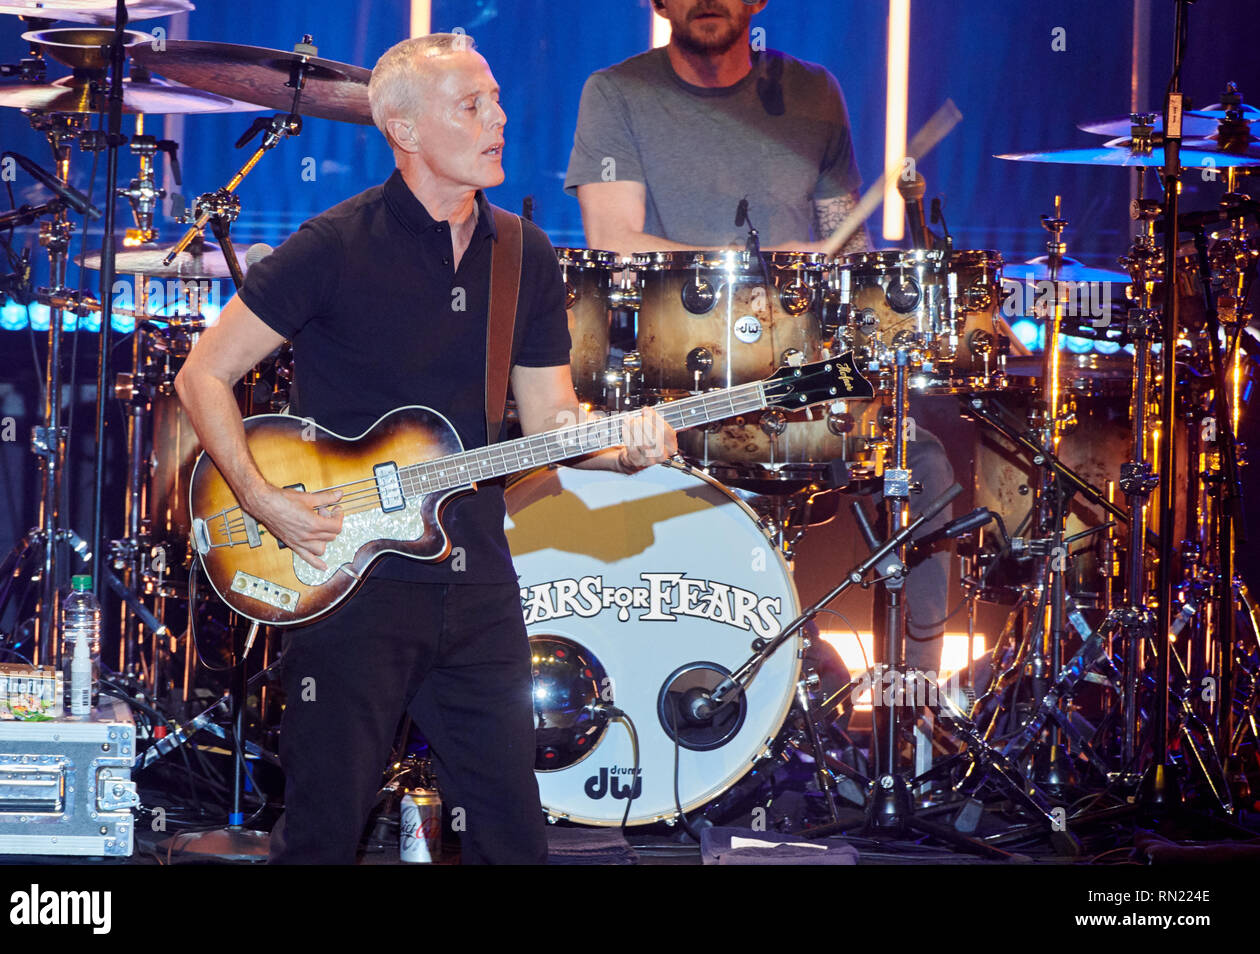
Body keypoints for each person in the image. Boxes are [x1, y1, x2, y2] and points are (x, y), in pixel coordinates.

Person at [175, 33, 676, 865]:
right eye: (471, 105)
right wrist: (265, 501)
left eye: (497, 100)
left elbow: (549, 422)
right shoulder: (335, 243)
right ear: (404, 131)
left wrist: (620, 448)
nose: (499, 119)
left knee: (514, 841)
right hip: (349, 580)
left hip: (477, 580)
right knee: (323, 836)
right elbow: (202, 376)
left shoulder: (524, 252)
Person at [564, 0, 954, 676]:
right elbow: (614, 241)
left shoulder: (813, 92)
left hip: (799, 380)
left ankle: (909, 714)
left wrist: (842, 262)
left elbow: (848, 241)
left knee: (922, 465)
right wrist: (769, 264)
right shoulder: (616, 90)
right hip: (675, 388)